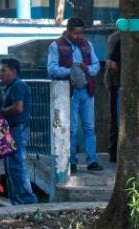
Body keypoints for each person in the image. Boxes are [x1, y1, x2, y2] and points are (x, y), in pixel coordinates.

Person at [47, 18, 102, 173]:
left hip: (86, 89)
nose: (78, 36)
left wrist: (86, 68)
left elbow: (96, 66)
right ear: (69, 31)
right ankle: (71, 161)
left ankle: (92, 160)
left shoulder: (87, 45)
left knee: (89, 127)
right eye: (75, 33)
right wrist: (71, 71)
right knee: (71, 128)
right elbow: (52, 69)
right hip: (68, 92)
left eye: (80, 33)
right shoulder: (56, 45)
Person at [0, 58, 37, 205]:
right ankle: (17, 199)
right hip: (13, 129)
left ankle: (26, 200)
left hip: (18, 129)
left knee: (16, 164)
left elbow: (18, 107)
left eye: (3, 70)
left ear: (13, 72)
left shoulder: (18, 86)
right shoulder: (10, 87)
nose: (0, 73)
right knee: (11, 166)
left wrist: (1, 112)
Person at [105, 31, 121, 163]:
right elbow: (113, 63)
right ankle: (114, 152)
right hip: (116, 83)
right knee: (115, 118)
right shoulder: (119, 38)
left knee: (114, 118)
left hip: (114, 83)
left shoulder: (114, 37)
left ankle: (113, 152)